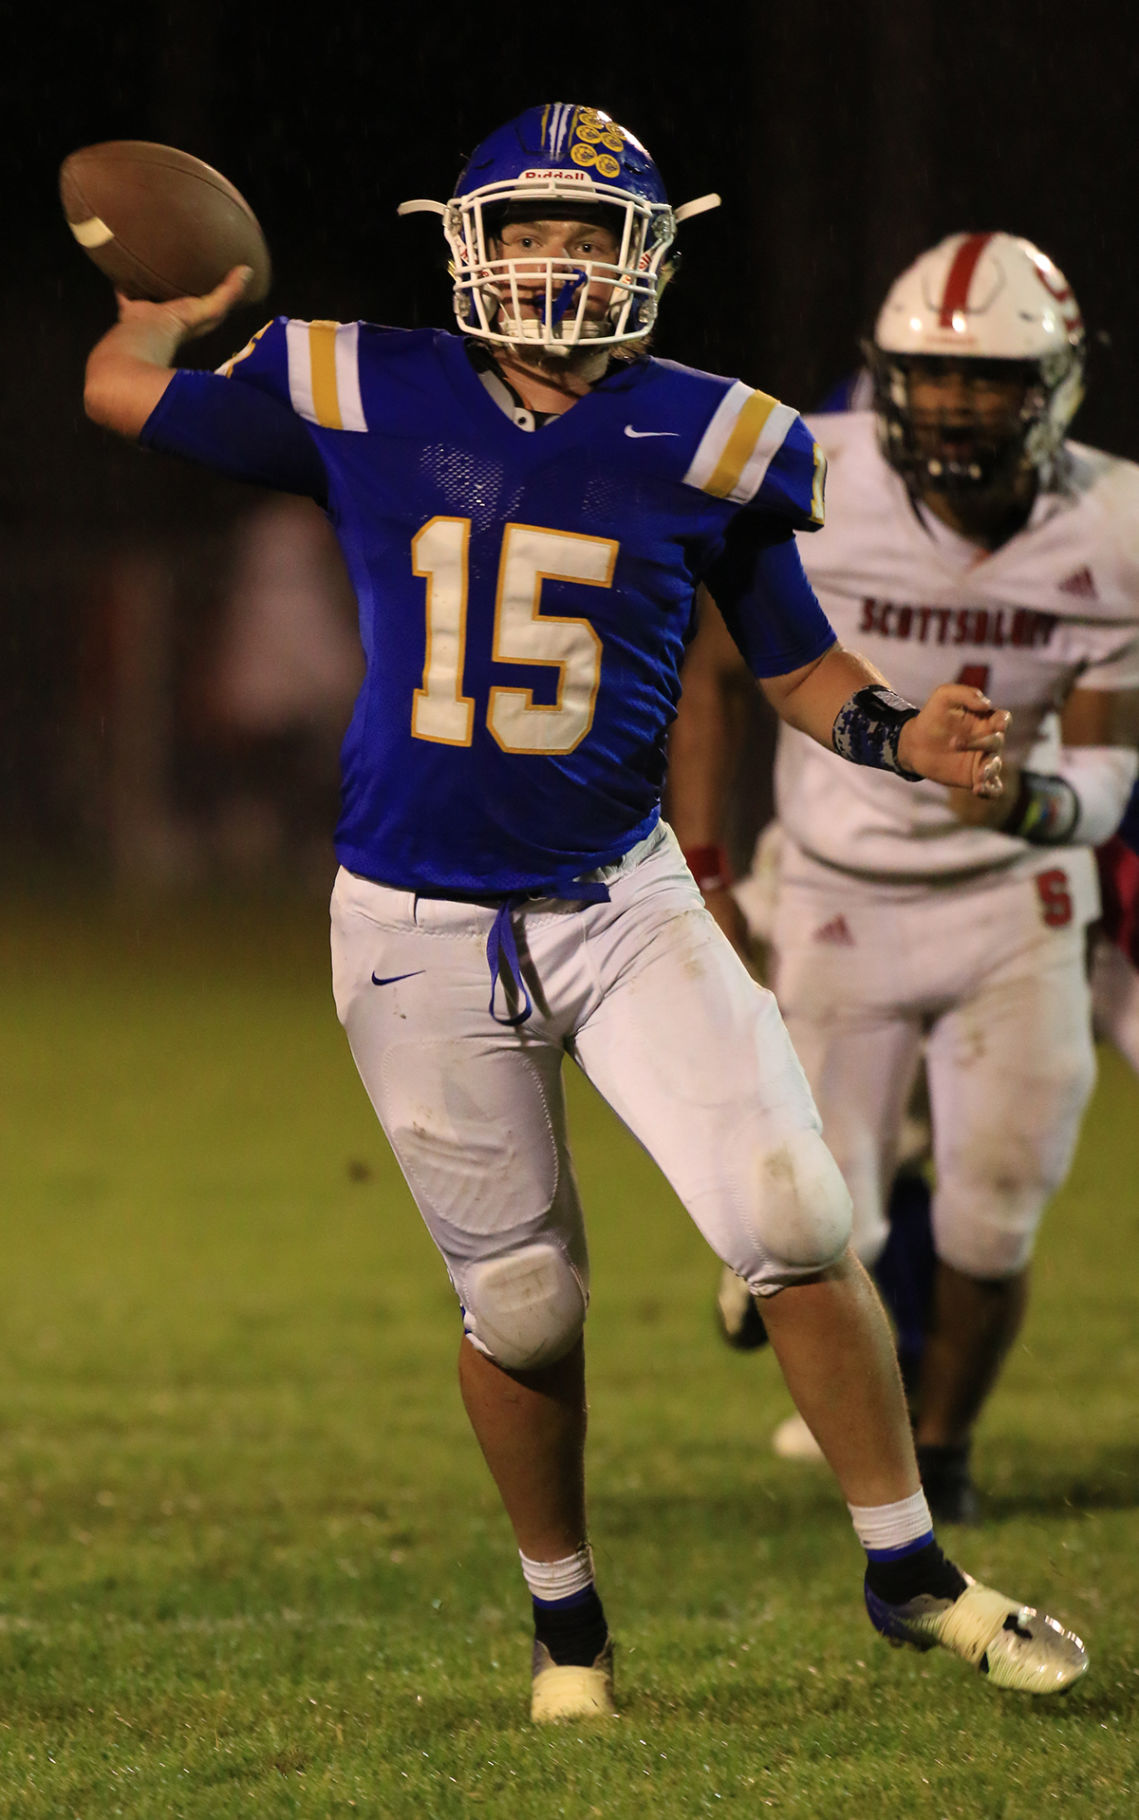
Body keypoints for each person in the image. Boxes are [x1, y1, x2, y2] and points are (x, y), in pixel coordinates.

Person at [82, 115, 1086, 1720]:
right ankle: (568, 1629)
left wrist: (905, 733)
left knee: (794, 1217)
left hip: (620, 899)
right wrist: (155, 312)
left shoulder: (717, 435)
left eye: (589, 233)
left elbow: (797, 664)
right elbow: (125, 396)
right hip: (412, 922)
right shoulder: (369, 383)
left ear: (649, 256)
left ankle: (910, 1571)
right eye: (531, 230)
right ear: (470, 242)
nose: (557, 263)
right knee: (525, 1303)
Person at [672, 232, 1139, 1522]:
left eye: (989, 380)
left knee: (995, 1211)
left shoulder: (1116, 523)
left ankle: (943, 1455)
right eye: (933, 378)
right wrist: (704, 867)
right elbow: (715, 674)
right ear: (884, 379)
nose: (955, 408)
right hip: (842, 891)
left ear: (1055, 387)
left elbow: (1110, 762)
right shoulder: (813, 475)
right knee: (822, 1222)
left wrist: (1034, 800)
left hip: (1016, 897)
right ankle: (769, 1273)